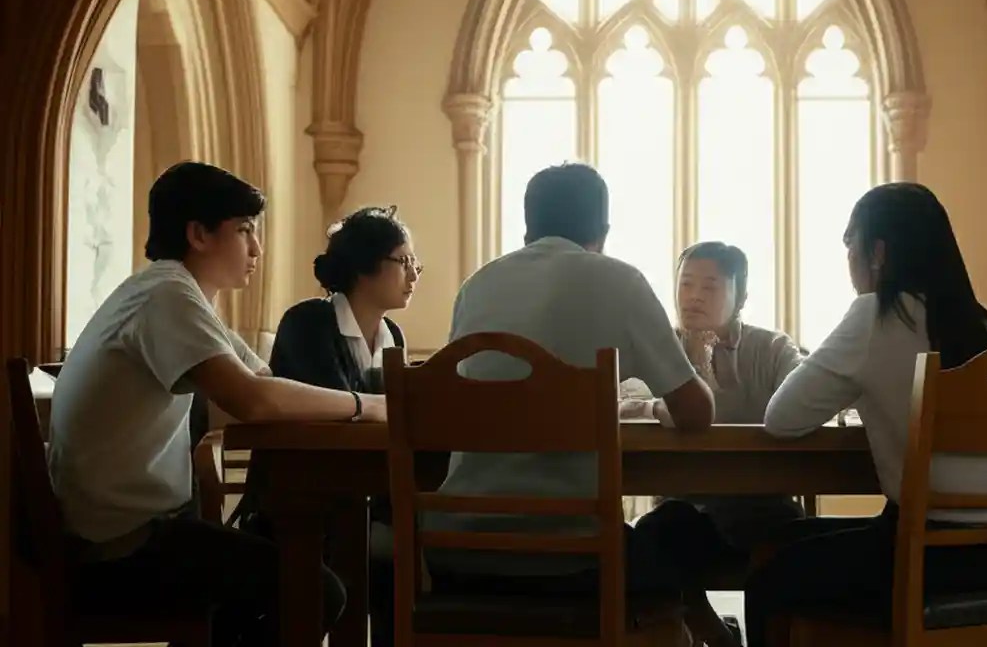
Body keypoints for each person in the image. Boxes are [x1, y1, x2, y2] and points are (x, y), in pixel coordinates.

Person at [47, 161, 386, 646]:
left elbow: (267, 381)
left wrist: (349, 402)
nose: (257, 248)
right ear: (199, 234)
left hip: (138, 528)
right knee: (312, 591)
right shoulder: (167, 295)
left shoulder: (180, 295)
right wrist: (366, 406)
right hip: (118, 544)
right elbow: (252, 400)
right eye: (244, 230)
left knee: (302, 577)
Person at [422, 162, 738, 646]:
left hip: (457, 547)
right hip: (576, 556)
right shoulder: (621, 282)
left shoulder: (476, 286)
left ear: (526, 230)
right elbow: (697, 413)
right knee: (679, 533)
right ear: (603, 233)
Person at [743, 183, 987, 647]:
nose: (848, 259)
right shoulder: (982, 323)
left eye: (850, 244)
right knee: (787, 538)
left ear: (877, 253)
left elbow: (782, 418)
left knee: (767, 579)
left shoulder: (876, 315)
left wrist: (856, 391)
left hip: (923, 552)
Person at [235, 205, 417, 647]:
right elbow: (332, 418)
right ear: (365, 267)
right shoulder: (308, 322)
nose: (414, 274)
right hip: (299, 503)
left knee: (406, 557)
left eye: (416, 264)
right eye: (404, 261)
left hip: (362, 500)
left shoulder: (392, 335)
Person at [629, 241, 805, 550]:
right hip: (679, 502)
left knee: (784, 527)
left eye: (709, 287)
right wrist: (660, 406)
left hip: (759, 497)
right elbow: (625, 402)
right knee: (654, 532)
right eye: (686, 284)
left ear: (741, 298)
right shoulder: (658, 348)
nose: (694, 296)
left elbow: (805, 402)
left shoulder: (772, 349)